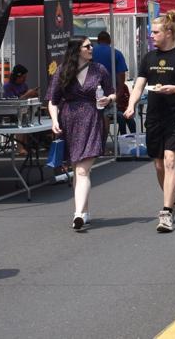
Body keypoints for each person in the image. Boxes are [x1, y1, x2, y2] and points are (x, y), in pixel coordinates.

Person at [124, 11, 175, 233]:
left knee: (170, 161)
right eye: (151, 32)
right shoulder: (149, 58)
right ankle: (172, 201)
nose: (151, 36)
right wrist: (131, 104)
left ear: (169, 32)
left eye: (155, 32)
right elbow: (139, 85)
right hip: (154, 117)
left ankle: (166, 213)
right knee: (158, 165)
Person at [46, 37, 115, 230]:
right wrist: (54, 120)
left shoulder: (99, 69)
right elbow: (52, 100)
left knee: (82, 170)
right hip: (69, 122)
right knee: (77, 168)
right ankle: (84, 211)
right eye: (87, 46)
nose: (91, 48)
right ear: (77, 50)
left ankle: (78, 215)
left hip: (92, 120)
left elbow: (112, 92)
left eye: (91, 45)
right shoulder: (62, 71)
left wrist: (108, 99)